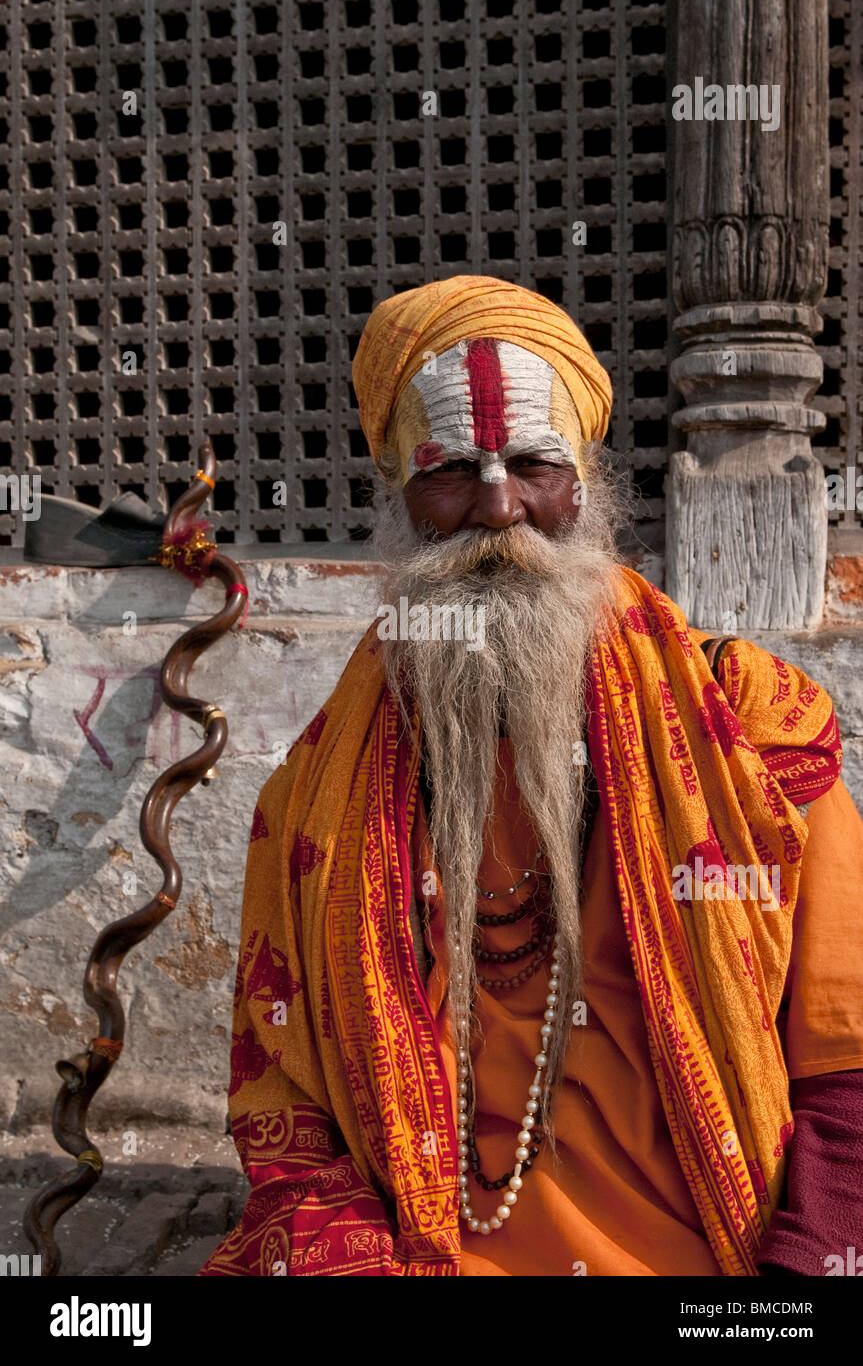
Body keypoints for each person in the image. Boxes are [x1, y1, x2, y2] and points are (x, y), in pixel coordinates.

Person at [201, 276, 863, 1277]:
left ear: (585, 487)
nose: (499, 506)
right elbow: (284, 1107)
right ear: (399, 499)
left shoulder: (751, 731)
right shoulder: (310, 805)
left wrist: (797, 1280)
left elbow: (845, 1058)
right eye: (453, 469)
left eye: (534, 464)